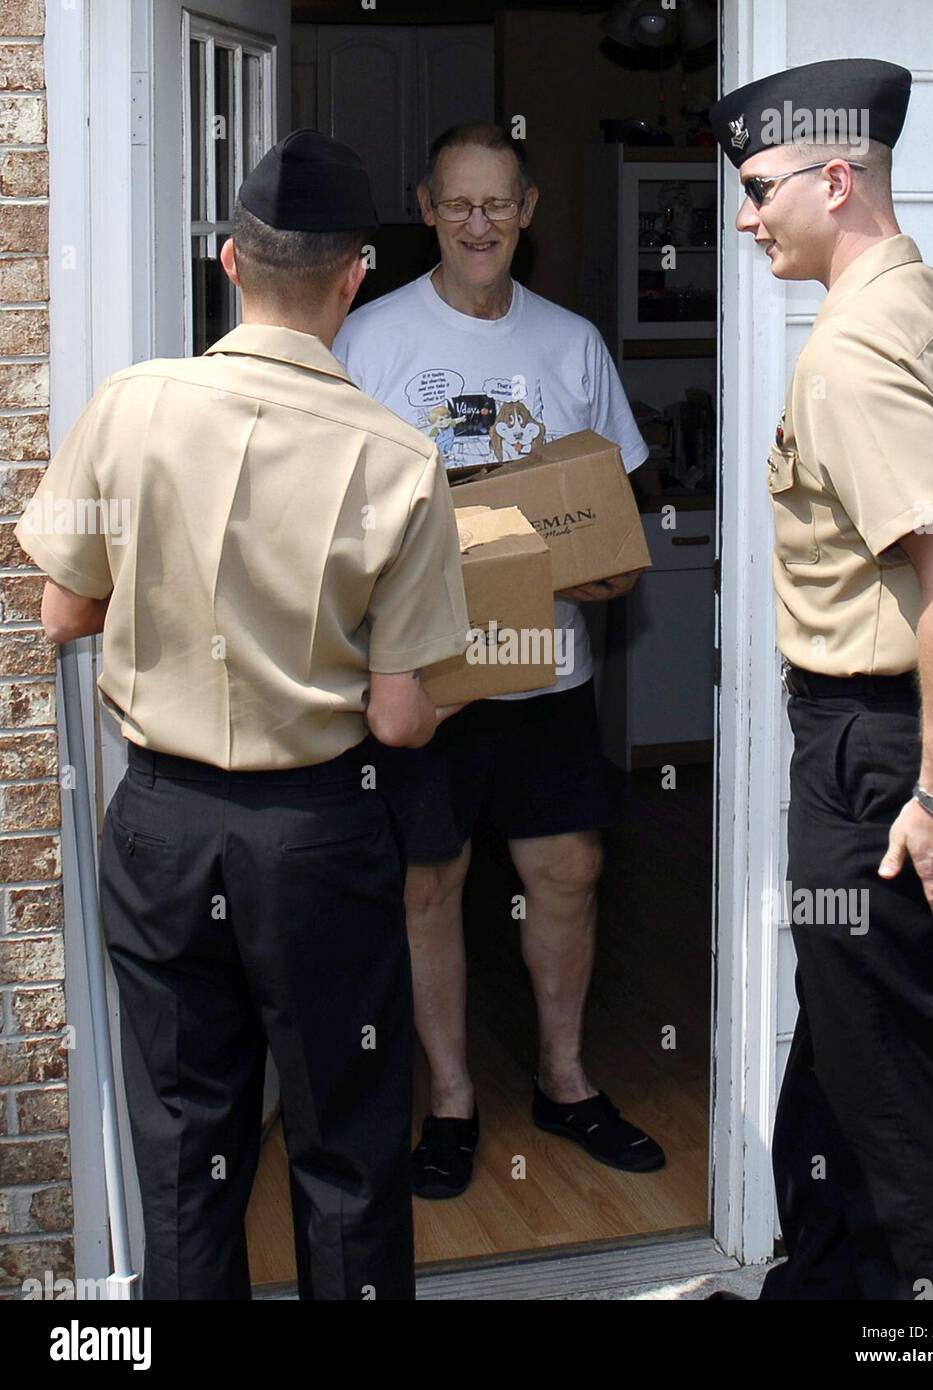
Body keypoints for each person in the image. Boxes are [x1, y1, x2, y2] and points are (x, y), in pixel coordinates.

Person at [14, 130, 471, 1299]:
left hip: (162, 826)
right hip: (316, 837)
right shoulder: (399, 456)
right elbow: (401, 720)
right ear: (355, 275)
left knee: (183, 1148)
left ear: (229, 260)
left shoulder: (131, 404)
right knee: (346, 1141)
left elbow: (63, 609)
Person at [709, 58, 933, 1300]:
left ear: (831, 179)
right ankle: (825, 1283)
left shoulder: (852, 351)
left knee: (891, 1073)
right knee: (846, 1032)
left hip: (875, 761)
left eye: (756, 190)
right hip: (913, 741)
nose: (744, 218)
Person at [332, 122, 665, 1199]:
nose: (479, 224)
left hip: (545, 676)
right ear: (426, 207)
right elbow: (328, 514)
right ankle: (450, 1100)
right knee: (429, 883)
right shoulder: (370, 338)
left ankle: (566, 1081)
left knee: (565, 872)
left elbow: (614, 520)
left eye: (500, 204)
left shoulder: (569, 344)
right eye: (457, 204)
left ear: (527, 213)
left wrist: (598, 568)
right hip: (422, 677)